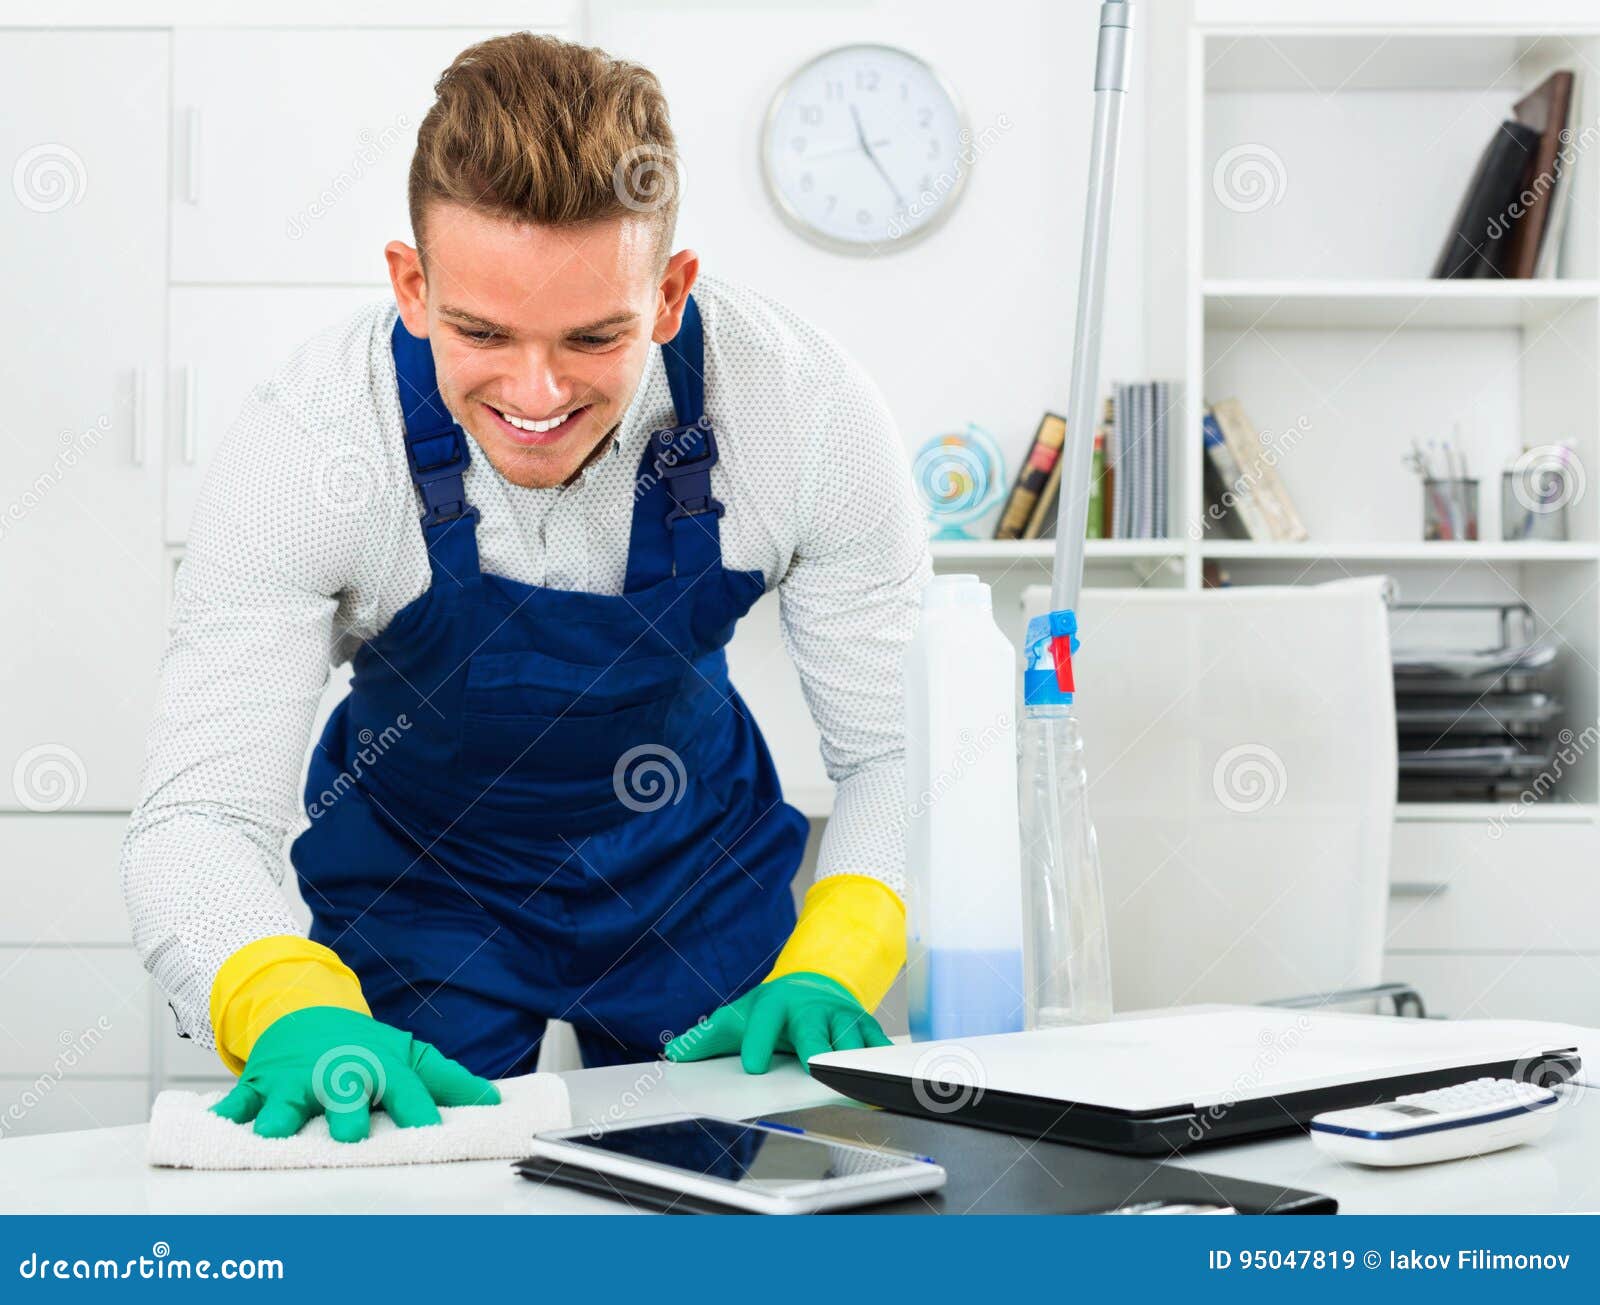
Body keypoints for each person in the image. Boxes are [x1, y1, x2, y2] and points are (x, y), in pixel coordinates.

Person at [120, 32, 930, 1141]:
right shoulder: (306, 444)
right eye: (482, 332)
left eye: (593, 336)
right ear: (412, 285)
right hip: (420, 888)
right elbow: (201, 815)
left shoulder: (806, 412)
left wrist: (842, 952)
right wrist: (279, 1001)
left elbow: (896, 750)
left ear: (669, 293)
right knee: (418, 1203)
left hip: (689, 874)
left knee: (707, 1216)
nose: (536, 392)